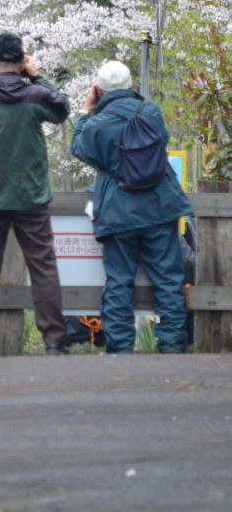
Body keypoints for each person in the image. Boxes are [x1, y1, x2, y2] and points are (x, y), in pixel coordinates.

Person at [71, 59, 191, 354]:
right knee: (168, 281)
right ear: (130, 86)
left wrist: (86, 113)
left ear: (98, 89)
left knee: (119, 282)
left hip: (118, 211)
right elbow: (162, 141)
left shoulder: (97, 124)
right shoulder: (149, 111)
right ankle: (173, 347)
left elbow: (80, 148)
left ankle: (120, 350)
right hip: (159, 206)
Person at [0, 31, 70, 357]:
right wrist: (37, 76)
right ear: (23, 62)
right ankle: (53, 342)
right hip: (30, 197)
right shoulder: (36, 97)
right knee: (43, 266)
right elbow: (62, 108)